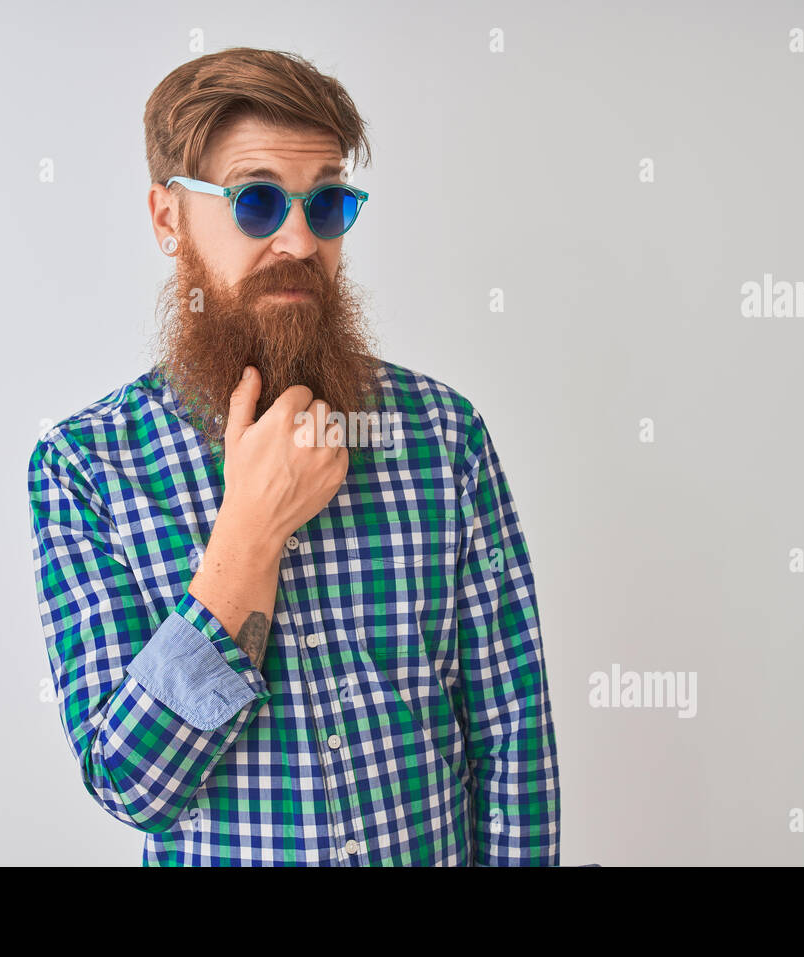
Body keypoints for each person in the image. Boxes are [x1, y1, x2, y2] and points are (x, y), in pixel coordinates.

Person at [27, 46, 560, 865]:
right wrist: (248, 534)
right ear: (169, 218)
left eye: (328, 203)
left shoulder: (444, 435)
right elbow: (134, 784)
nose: (300, 239)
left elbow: (512, 738)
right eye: (257, 202)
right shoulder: (87, 466)